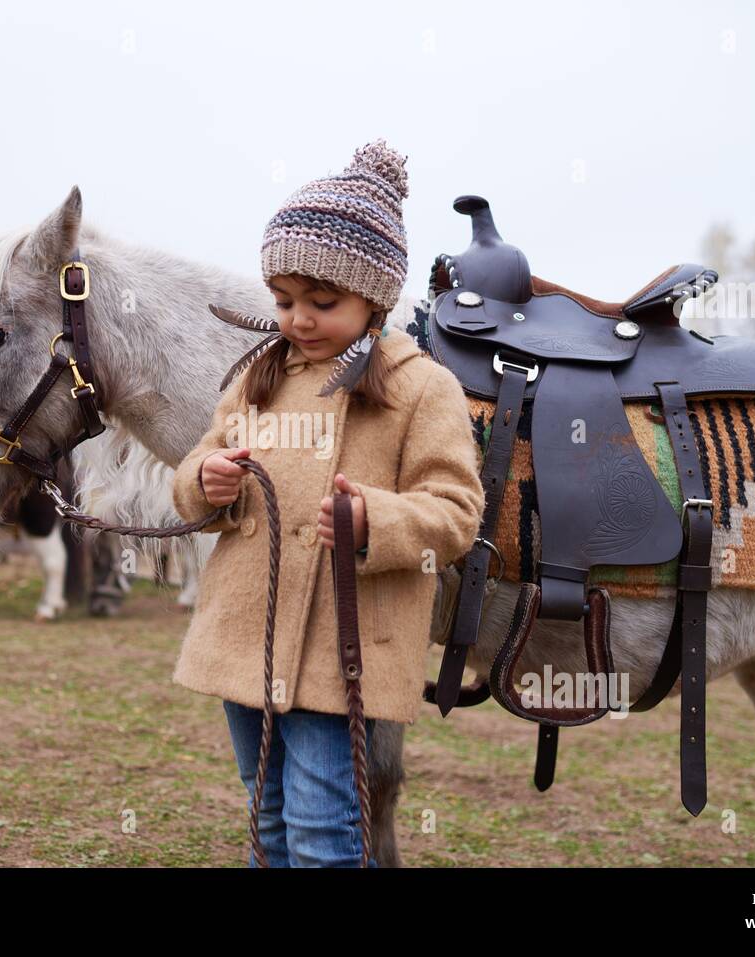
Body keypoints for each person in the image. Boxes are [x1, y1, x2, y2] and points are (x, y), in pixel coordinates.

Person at [171, 139, 484, 867]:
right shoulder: (259, 376)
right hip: (246, 638)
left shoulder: (422, 387)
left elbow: (457, 511)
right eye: (283, 301)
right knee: (268, 818)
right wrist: (206, 481)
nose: (299, 320)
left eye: (322, 302)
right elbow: (194, 468)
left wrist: (378, 520)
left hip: (343, 652)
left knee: (322, 828)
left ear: (375, 298)